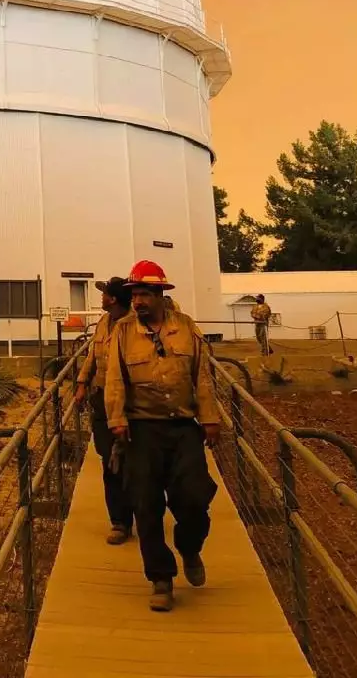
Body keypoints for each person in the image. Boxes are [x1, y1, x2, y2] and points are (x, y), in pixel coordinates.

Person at [105, 259, 221, 613]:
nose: (137, 301)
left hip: (184, 427)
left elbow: (202, 375)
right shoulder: (123, 332)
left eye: (143, 294)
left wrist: (210, 418)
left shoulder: (186, 329)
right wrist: (116, 419)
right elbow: (114, 378)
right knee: (146, 505)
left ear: (159, 294)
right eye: (134, 294)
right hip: (141, 430)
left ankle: (189, 546)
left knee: (195, 498)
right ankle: (161, 578)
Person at [76, 278, 134, 544]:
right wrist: (81, 384)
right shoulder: (104, 321)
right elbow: (91, 355)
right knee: (109, 461)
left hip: (130, 403)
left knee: (134, 462)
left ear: (113, 298)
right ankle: (119, 521)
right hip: (101, 399)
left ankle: (138, 514)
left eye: (104, 294)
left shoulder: (135, 324)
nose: (100, 298)